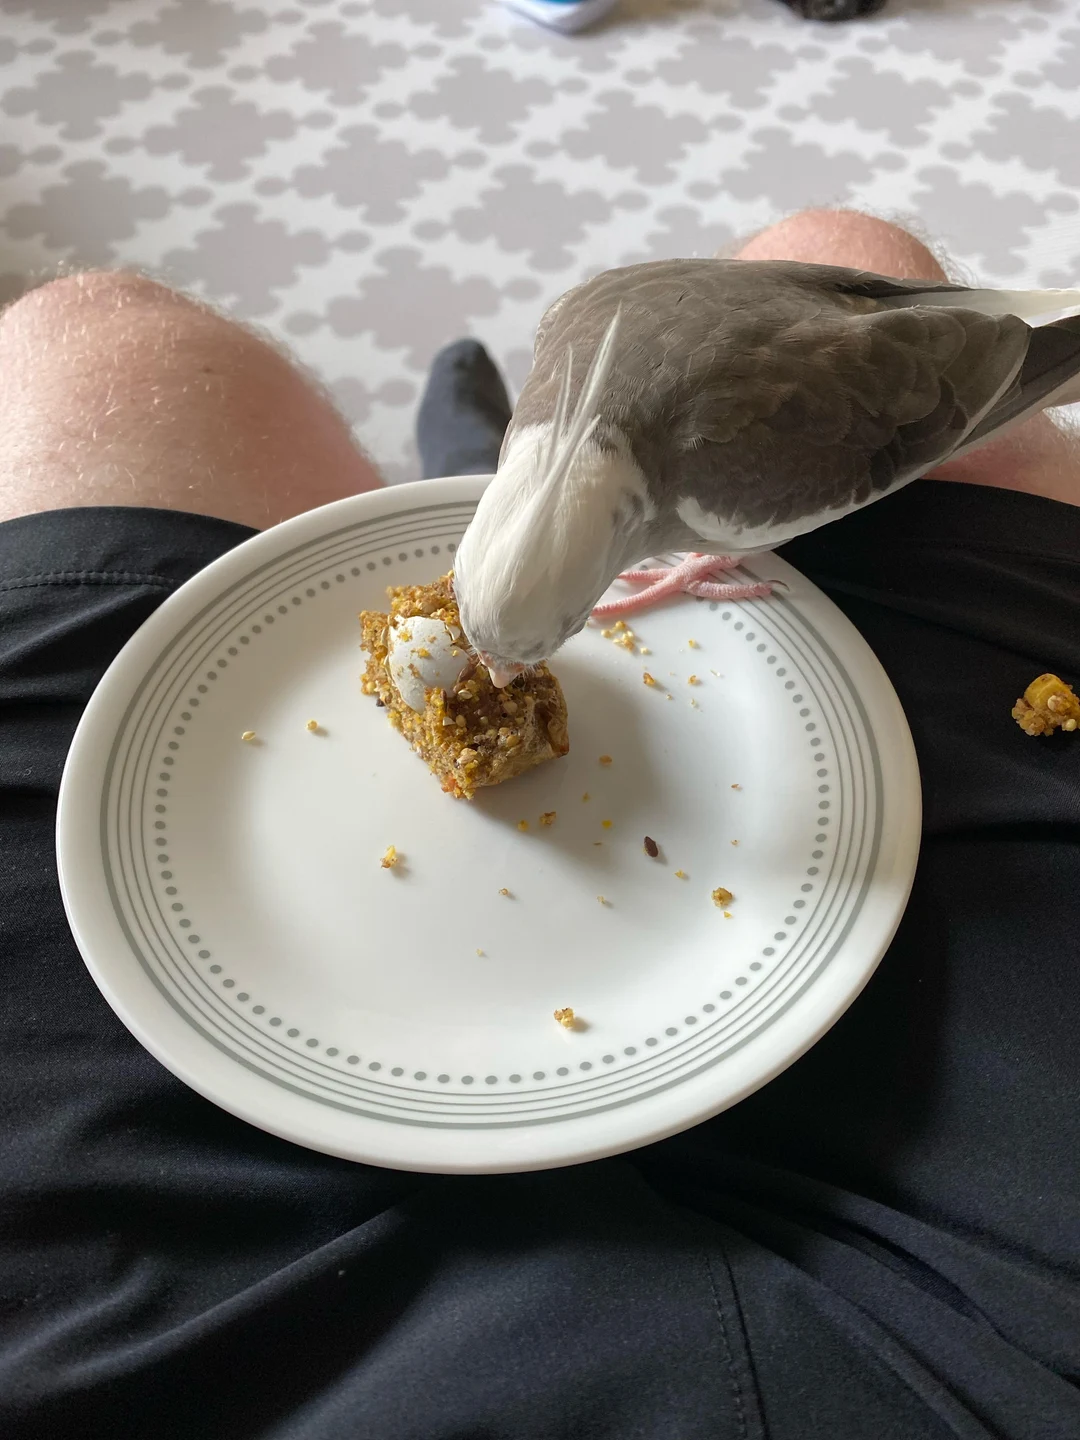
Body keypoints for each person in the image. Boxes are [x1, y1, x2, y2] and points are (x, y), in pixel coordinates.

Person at [1, 211, 1077, 1440]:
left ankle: (476, 480)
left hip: (169, 1325)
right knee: (848, 249)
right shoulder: (589, 333)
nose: (504, 694)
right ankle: (483, 475)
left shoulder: (687, 423)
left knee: (96, 345)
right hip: (988, 1314)